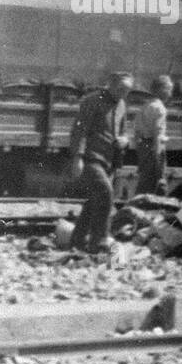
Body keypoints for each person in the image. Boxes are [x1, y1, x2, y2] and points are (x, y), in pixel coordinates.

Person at [69, 72, 133, 253]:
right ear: (110, 85)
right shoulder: (92, 100)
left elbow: (124, 132)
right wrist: (78, 158)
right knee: (106, 193)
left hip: (109, 160)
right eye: (121, 89)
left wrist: (124, 141)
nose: (123, 94)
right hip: (91, 157)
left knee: (94, 201)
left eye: (127, 91)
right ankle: (100, 241)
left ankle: (77, 241)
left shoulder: (121, 104)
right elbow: (79, 130)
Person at [134, 75, 173, 194]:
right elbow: (158, 135)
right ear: (163, 90)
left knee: (144, 182)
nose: (170, 94)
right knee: (156, 183)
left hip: (143, 147)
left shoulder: (145, 106)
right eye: (169, 90)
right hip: (154, 148)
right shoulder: (160, 109)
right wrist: (158, 157)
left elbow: (137, 131)